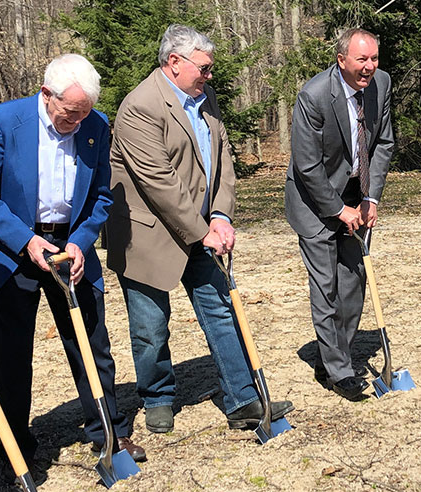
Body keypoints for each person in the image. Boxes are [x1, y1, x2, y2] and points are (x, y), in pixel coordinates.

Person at [105, 24, 292, 434]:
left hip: (203, 228)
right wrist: (201, 228)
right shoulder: (140, 107)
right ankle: (157, 397)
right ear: (174, 62)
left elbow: (222, 159)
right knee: (150, 328)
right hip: (147, 234)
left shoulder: (205, 99)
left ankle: (243, 398)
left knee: (221, 311)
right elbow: (158, 181)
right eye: (204, 68)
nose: (210, 76)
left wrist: (221, 215)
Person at [0, 54, 144, 470]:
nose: (78, 123)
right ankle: (15, 450)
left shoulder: (96, 126)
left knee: (92, 344)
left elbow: (102, 196)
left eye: (84, 114)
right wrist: (26, 241)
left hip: (70, 248)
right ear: (46, 95)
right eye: (70, 113)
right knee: (10, 355)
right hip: (14, 249)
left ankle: (108, 434)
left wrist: (81, 242)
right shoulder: (4, 121)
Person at [284, 28, 395, 398]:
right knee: (326, 286)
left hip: (356, 191)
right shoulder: (314, 95)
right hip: (314, 200)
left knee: (353, 281)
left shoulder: (381, 83)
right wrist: (338, 210)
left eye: (374, 59)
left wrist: (370, 198)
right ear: (341, 60)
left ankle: (334, 356)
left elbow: (383, 143)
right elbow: (307, 165)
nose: (369, 67)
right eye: (361, 60)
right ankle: (338, 371)